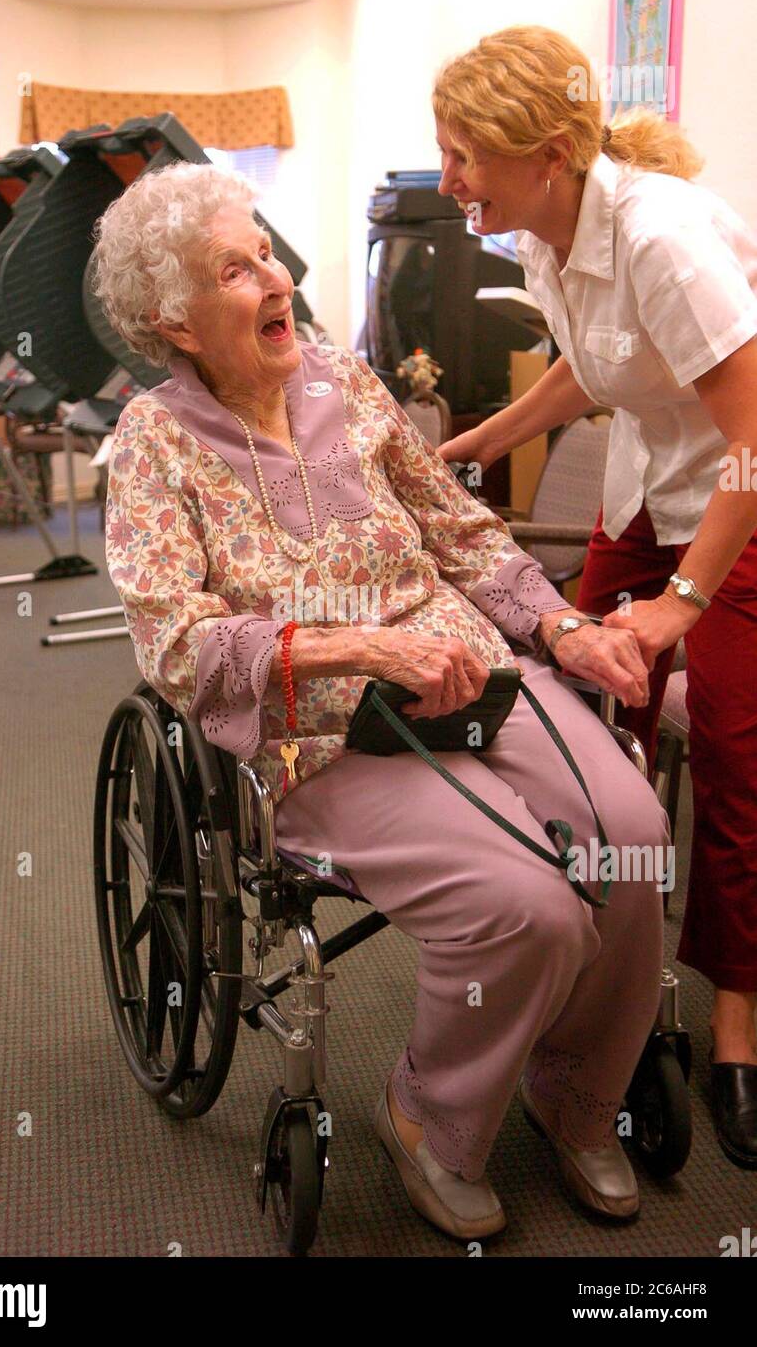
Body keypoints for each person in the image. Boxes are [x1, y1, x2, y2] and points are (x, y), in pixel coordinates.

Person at [94, 161, 668, 1242]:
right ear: (173, 319)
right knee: (530, 906)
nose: (273, 277)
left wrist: (558, 626)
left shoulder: (345, 383)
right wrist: (361, 646)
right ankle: (429, 1117)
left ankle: (577, 1090)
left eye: (266, 250)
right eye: (236, 266)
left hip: (476, 679)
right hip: (321, 739)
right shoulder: (150, 447)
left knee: (632, 836)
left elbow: (457, 530)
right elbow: (175, 644)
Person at [436, 25, 757, 1171]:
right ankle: (603, 985)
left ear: (554, 151)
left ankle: (735, 1030)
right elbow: (592, 362)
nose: (448, 178)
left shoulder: (661, 236)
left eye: (466, 153)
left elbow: (754, 439)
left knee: (730, 755)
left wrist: (680, 600)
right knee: (581, 715)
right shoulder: (542, 230)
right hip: (648, 492)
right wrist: (473, 445)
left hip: (739, 503)